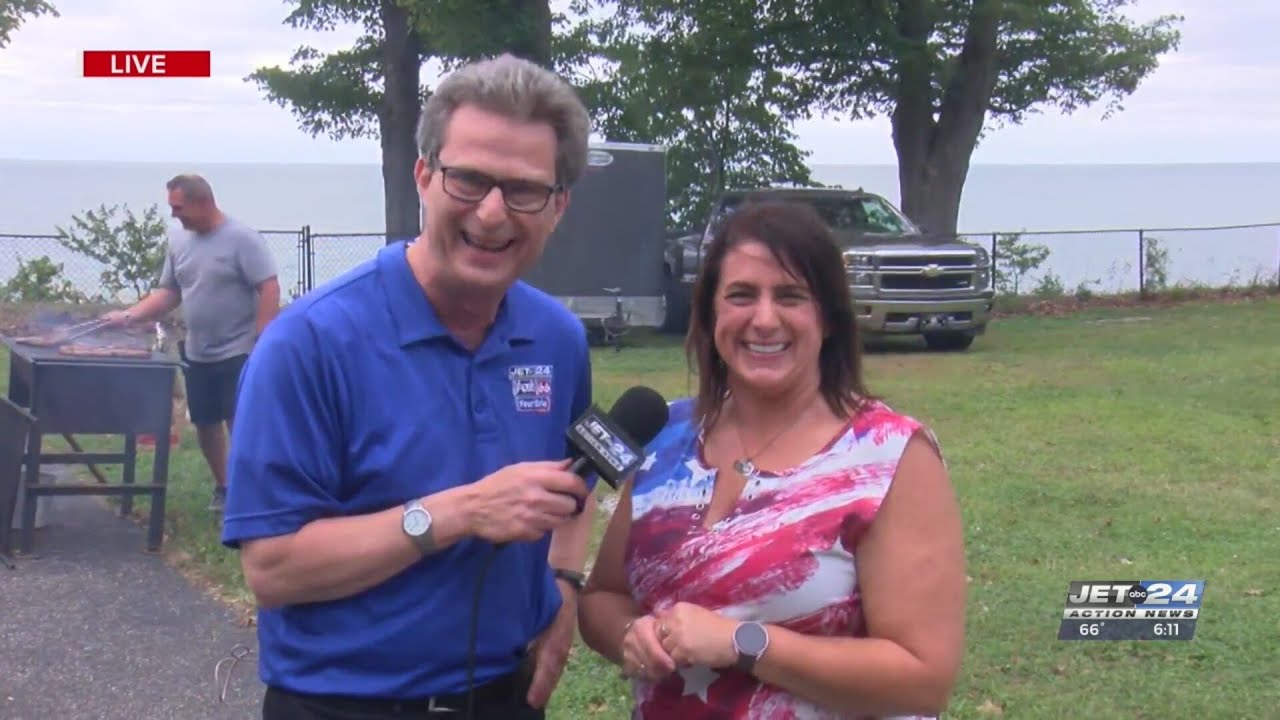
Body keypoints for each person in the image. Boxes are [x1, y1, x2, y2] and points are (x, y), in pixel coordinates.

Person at [219, 53, 598, 720]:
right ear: (424, 176)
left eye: (524, 190)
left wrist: (564, 585)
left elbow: (578, 482)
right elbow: (272, 570)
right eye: (468, 180)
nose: (490, 214)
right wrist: (458, 513)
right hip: (344, 704)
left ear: (559, 207)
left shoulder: (558, 340)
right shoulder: (308, 345)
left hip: (506, 699)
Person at [576, 200, 968, 719]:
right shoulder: (666, 436)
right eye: (741, 295)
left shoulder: (889, 456)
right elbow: (604, 595)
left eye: (789, 296)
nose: (764, 319)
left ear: (827, 317)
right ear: (711, 312)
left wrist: (746, 643)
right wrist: (629, 635)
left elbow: (922, 679)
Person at [103, 173, 280, 511]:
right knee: (206, 423)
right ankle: (224, 487)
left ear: (203, 202)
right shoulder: (178, 242)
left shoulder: (242, 239)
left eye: (178, 207)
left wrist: (262, 340)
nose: (174, 215)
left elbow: (268, 287)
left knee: (239, 421)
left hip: (240, 349)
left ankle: (252, 494)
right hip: (198, 350)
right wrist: (129, 315)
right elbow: (169, 293)